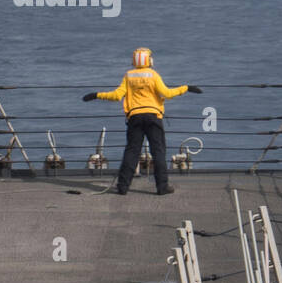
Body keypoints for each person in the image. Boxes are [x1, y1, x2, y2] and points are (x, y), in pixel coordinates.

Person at [83, 47, 200, 195]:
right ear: (150, 60)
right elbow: (167, 93)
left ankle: (123, 186)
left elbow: (117, 95)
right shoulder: (153, 75)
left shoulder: (129, 76)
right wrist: (186, 88)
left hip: (135, 118)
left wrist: (96, 95)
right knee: (158, 152)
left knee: (132, 151)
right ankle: (162, 187)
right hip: (153, 117)